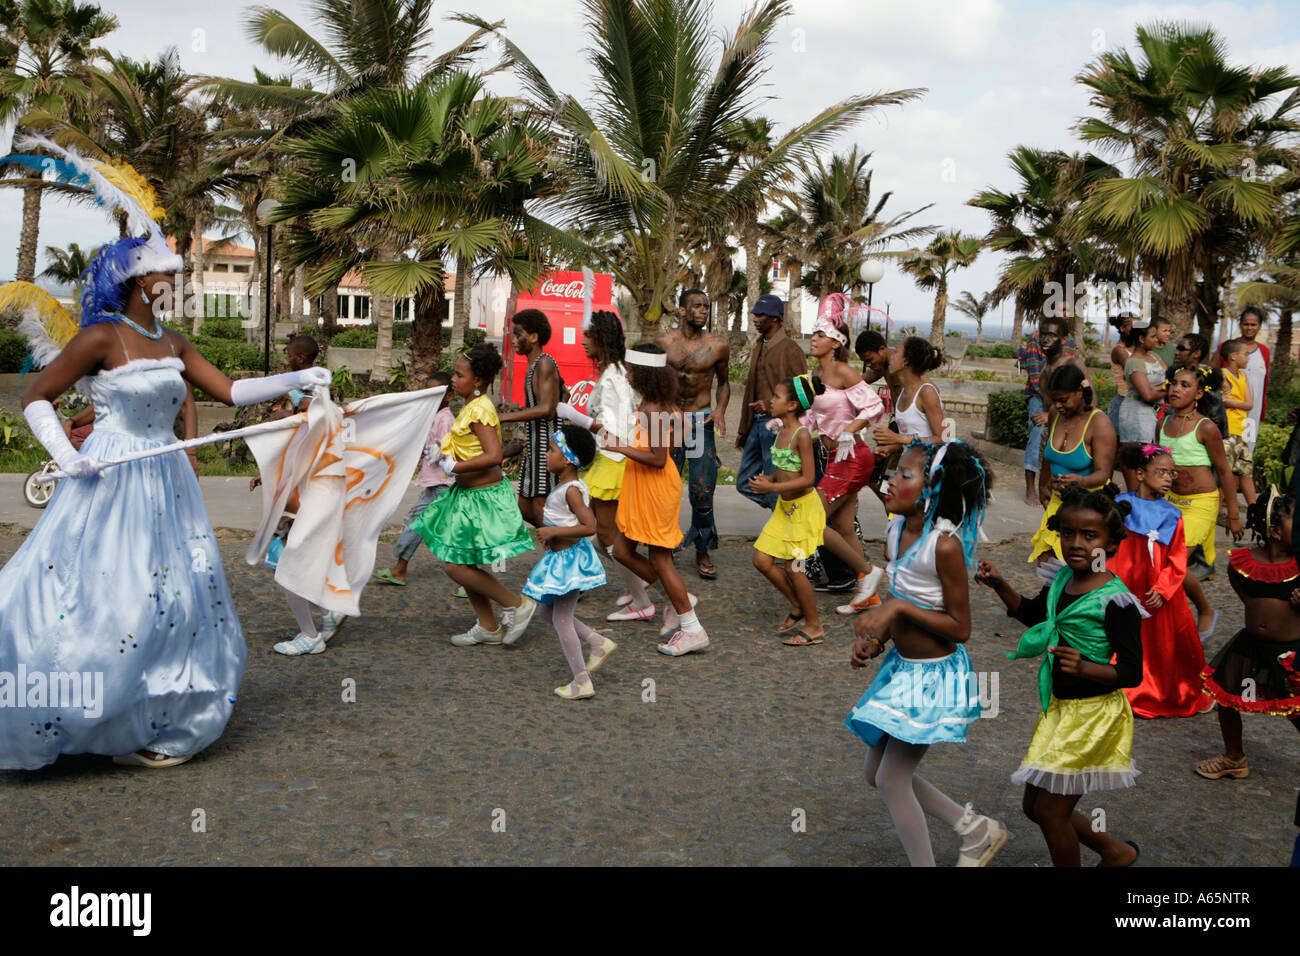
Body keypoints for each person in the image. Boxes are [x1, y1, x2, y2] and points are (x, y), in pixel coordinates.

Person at [1, 236, 331, 769]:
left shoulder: (174, 341)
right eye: (168, 277)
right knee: (112, 594)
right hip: (110, 479)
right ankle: (81, 709)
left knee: (172, 597)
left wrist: (298, 377)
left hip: (167, 474)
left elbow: (230, 390)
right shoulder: (101, 338)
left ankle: (152, 716)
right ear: (138, 282)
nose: (176, 287)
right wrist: (66, 454)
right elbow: (36, 394)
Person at [845, 440, 1008, 867]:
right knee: (875, 775)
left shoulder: (945, 546)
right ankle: (975, 829)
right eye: (895, 471)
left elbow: (961, 629)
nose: (891, 480)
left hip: (934, 675)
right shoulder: (897, 530)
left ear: (932, 489)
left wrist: (893, 608)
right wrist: (878, 640)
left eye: (905, 474)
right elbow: (903, 597)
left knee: (892, 780)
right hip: (903, 668)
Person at [977, 486, 1144, 867]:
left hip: (1093, 717)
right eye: (1067, 533)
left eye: (1090, 535)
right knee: (1035, 807)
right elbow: (1036, 615)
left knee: (1052, 812)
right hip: (1061, 709)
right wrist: (1000, 584)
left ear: (1111, 541)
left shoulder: (1116, 601)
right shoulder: (1062, 579)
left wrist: (1087, 667)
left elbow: (1132, 673)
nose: (1076, 543)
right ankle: (1115, 852)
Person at [412, 343, 537, 647]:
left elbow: (494, 454)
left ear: (478, 381)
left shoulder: (480, 408)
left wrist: (455, 464)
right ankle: (488, 626)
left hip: (482, 497)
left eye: (459, 375)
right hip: (467, 494)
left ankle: (517, 604)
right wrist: (441, 455)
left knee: (455, 565)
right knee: (462, 562)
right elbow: (470, 449)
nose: (453, 379)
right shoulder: (470, 406)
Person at [597, 343, 710, 656]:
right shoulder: (655, 403)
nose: (628, 376)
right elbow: (686, 429)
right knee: (621, 550)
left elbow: (659, 459)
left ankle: (692, 628)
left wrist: (620, 446)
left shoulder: (654, 408)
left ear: (645, 373)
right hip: (643, 486)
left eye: (632, 371)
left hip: (655, 487)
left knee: (660, 559)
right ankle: (679, 602)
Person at [1195, 490, 1300, 780]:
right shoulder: (1242, 563)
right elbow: (1246, 596)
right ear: (1275, 531)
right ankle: (1233, 757)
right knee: (1227, 699)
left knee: (1297, 707)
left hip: (1291, 651)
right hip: (1249, 645)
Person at [1110, 445, 1212, 718]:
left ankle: (1166, 691)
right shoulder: (1120, 506)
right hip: (1125, 584)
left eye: (1172, 473)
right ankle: (1125, 687)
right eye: (1162, 472)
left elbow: (1178, 561)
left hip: (1158, 591)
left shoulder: (1172, 515)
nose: (1169, 478)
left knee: (1165, 644)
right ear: (1141, 474)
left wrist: (1163, 588)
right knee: (1126, 637)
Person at [798, 301, 886, 616]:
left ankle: (868, 570)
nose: (814, 338)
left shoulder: (844, 371)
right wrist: (783, 424)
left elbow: (875, 407)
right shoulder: (816, 373)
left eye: (821, 335)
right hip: (833, 457)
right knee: (844, 527)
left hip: (852, 456)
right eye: (814, 333)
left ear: (836, 343)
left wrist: (851, 428)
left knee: (812, 519)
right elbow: (812, 418)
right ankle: (867, 593)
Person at [520, 425, 615, 700]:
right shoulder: (565, 486)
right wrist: (553, 534)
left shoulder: (571, 490)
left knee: (561, 618)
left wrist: (553, 532)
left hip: (569, 563)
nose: (547, 454)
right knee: (547, 613)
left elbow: (590, 526)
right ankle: (598, 642)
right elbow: (567, 520)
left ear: (566, 459)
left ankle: (581, 681)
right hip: (561, 557)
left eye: (551, 450)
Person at [574, 310, 652, 620]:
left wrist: (578, 418)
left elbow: (616, 430)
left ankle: (646, 598)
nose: (582, 342)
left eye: (587, 336)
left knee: (608, 535)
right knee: (599, 533)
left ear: (601, 339)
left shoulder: (614, 376)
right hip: (608, 460)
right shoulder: (613, 372)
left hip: (613, 460)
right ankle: (638, 586)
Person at [657, 288, 730, 580]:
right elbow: (651, 379)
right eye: (697, 306)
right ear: (682, 311)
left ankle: (702, 548)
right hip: (669, 422)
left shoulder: (718, 346)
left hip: (701, 421)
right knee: (665, 487)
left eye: (706, 306)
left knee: (702, 490)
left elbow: (724, 383)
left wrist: (721, 409)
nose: (703, 310)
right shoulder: (664, 343)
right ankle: (664, 544)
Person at [750, 376, 824, 645]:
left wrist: (771, 490)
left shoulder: (802, 434)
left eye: (777, 397)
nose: (771, 400)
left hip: (803, 510)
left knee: (794, 569)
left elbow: (807, 479)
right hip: (785, 508)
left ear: (792, 405)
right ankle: (797, 605)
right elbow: (782, 469)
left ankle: (814, 626)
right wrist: (768, 480)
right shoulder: (780, 431)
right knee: (762, 561)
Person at [1027, 364, 1117, 582]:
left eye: (1063, 400)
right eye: (1054, 400)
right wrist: (1043, 485)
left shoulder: (1100, 423)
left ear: (1079, 392)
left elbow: (1104, 473)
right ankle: (1053, 606)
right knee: (1047, 563)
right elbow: (1049, 455)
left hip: (1088, 507)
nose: (1058, 406)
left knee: (1078, 569)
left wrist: (1081, 481)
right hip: (1059, 502)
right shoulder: (1055, 414)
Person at [1158, 365, 1243, 585]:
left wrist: (1232, 515)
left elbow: (1224, 471)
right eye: (1174, 384)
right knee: (1160, 562)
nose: (1176, 389)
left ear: (1199, 393)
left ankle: (1204, 611)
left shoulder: (1206, 427)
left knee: (1175, 563)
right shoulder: (1162, 424)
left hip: (1200, 504)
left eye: (1185, 385)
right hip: (1169, 502)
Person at [373, 371, 454, 586]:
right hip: (435, 482)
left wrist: (430, 451)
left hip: (440, 483)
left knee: (416, 523)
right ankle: (470, 579)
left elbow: (446, 451)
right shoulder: (434, 417)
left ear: (448, 397)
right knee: (446, 530)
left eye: (434, 393)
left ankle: (400, 569)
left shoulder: (444, 419)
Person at [736, 294, 807, 510]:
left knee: (775, 479)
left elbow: (803, 393)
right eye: (755, 314)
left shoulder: (790, 349)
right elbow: (751, 389)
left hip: (777, 426)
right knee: (744, 481)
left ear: (776, 318)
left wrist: (771, 405)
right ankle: (785, 512)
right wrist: (743, 430)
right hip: (757, 424)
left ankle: (784, 520)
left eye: (761, 314)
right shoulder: (760, 344)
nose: (756, 318)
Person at [499, 309, 562, 527]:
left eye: (518, 334)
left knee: (541, 508)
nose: (514, 340)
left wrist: (505, 417)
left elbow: (547, 409)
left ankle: (564, 552)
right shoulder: (534, 364)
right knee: (525, 509)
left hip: (546, 446)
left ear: (533, 337)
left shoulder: (544, 363)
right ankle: (560, 544)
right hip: (536, 445)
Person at [1022, 316, 1089, 507]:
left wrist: (1053, 415)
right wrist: (1049, 414)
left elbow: (1090, 400)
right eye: (1043, 335)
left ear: (1063, 339)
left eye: (1052, 335)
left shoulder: (1073, 364)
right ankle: (1035, 488)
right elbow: (1047, 402)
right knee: (1041, 440)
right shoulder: (1044, 371)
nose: (1045, 340)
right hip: (1057, 422)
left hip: (1078, 426)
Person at [872, 336, 946, 458]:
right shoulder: (903, 393)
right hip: (908, 467)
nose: (892, 357)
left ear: (906, 361)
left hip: (926, 470)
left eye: (896, 353)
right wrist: (891, 448)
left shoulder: (926, 392)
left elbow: (941, 438)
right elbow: (912, 438)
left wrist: (897, 437)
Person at [1213, 306, 1270, 453]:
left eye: (1253, 324)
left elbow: (1264, 383)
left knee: (1246, 451)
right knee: (1225, 450)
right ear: (1240, 325)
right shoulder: (1225, 348)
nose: (1249, 328)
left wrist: (1262, 410)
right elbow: (1211, 377)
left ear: (1259, 326)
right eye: (1246, 324)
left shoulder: (1264, 351)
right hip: (1230, 412)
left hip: (1252, 411)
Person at [1116, 321, 1167, 485]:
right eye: (1152, 336)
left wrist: (1163, 387)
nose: (1156, 340)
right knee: (1136, 460)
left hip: (1151, 414)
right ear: (1141, 339)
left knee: (1148, 460)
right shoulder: (1134, 361)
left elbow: (1171, 377)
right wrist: (1169, 388)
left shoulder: (1155, 357)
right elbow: (1146, 394)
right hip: (1135, 416)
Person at [1218, 340, 1258, 506]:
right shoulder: (1222, 375)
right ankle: (1218, 510)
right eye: (1245, 354)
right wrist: (1235, 402)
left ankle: (1255, 510)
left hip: (1241, 431)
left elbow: (1249, 404)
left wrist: (1233, 402)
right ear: (1233, 356)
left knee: (1245, 471)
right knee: (1224, 473)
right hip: (1228, 431)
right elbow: (1220, 400)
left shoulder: (1243, 376)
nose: (1248, 358)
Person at [1105, 313, 1134, 435]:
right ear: (1122, 328)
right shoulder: (1119, 351)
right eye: (1133, 326)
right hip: (1123, 402)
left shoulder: (1135, 348)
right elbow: (1133, 374)